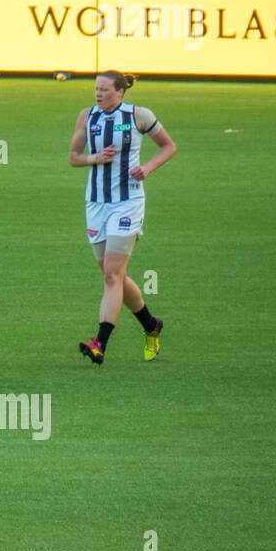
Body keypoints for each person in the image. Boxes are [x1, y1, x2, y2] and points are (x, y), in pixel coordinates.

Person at [69, 71, 175, 364]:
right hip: (96, 204)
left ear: (120, 92)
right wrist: (95, 158)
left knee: (113, 275)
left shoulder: (139, 116)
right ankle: (151, 325)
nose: (98, 94)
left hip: (128, 202)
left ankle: (99, 343)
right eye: (96, 89)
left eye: (104, 89)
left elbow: (169, 146)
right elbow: (74, 157)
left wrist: (149, 168)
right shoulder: (86, 116)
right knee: (112, 274)